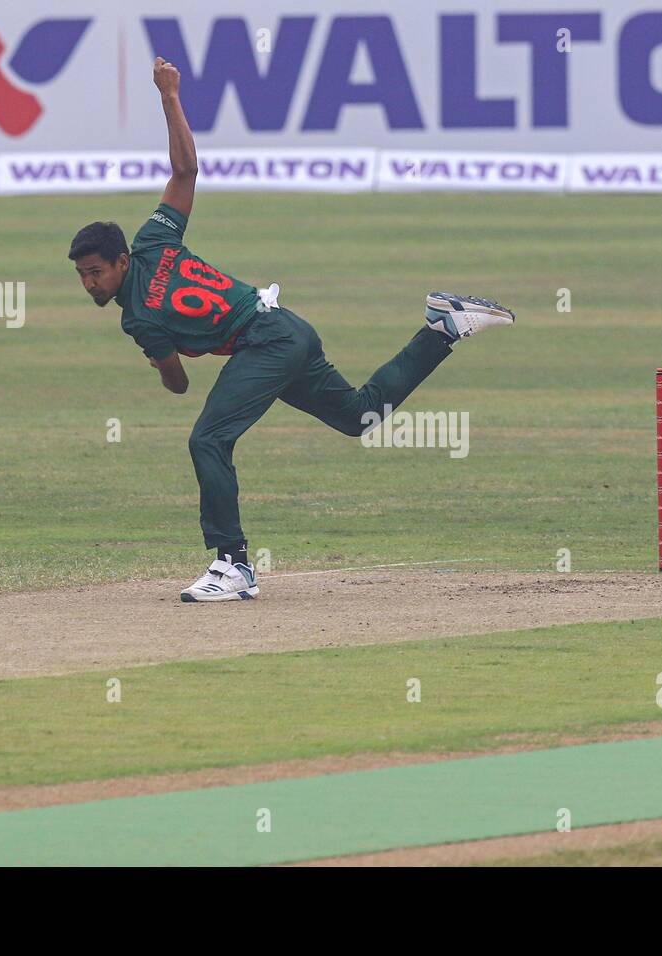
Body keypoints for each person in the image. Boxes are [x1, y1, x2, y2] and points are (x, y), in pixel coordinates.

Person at [68, 58, 514, 602]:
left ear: (118, 261)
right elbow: (186, 172)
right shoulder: (153, 240)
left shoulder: (137, 318)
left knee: (209, 439)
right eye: (82, 276)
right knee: (357, 416)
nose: (89, 284)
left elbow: (178, 385)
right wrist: (170, 96)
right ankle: (443, 328)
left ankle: (233, 567)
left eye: (95, 272)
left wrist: (163, 353)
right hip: (285, 328)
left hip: (266, 341)